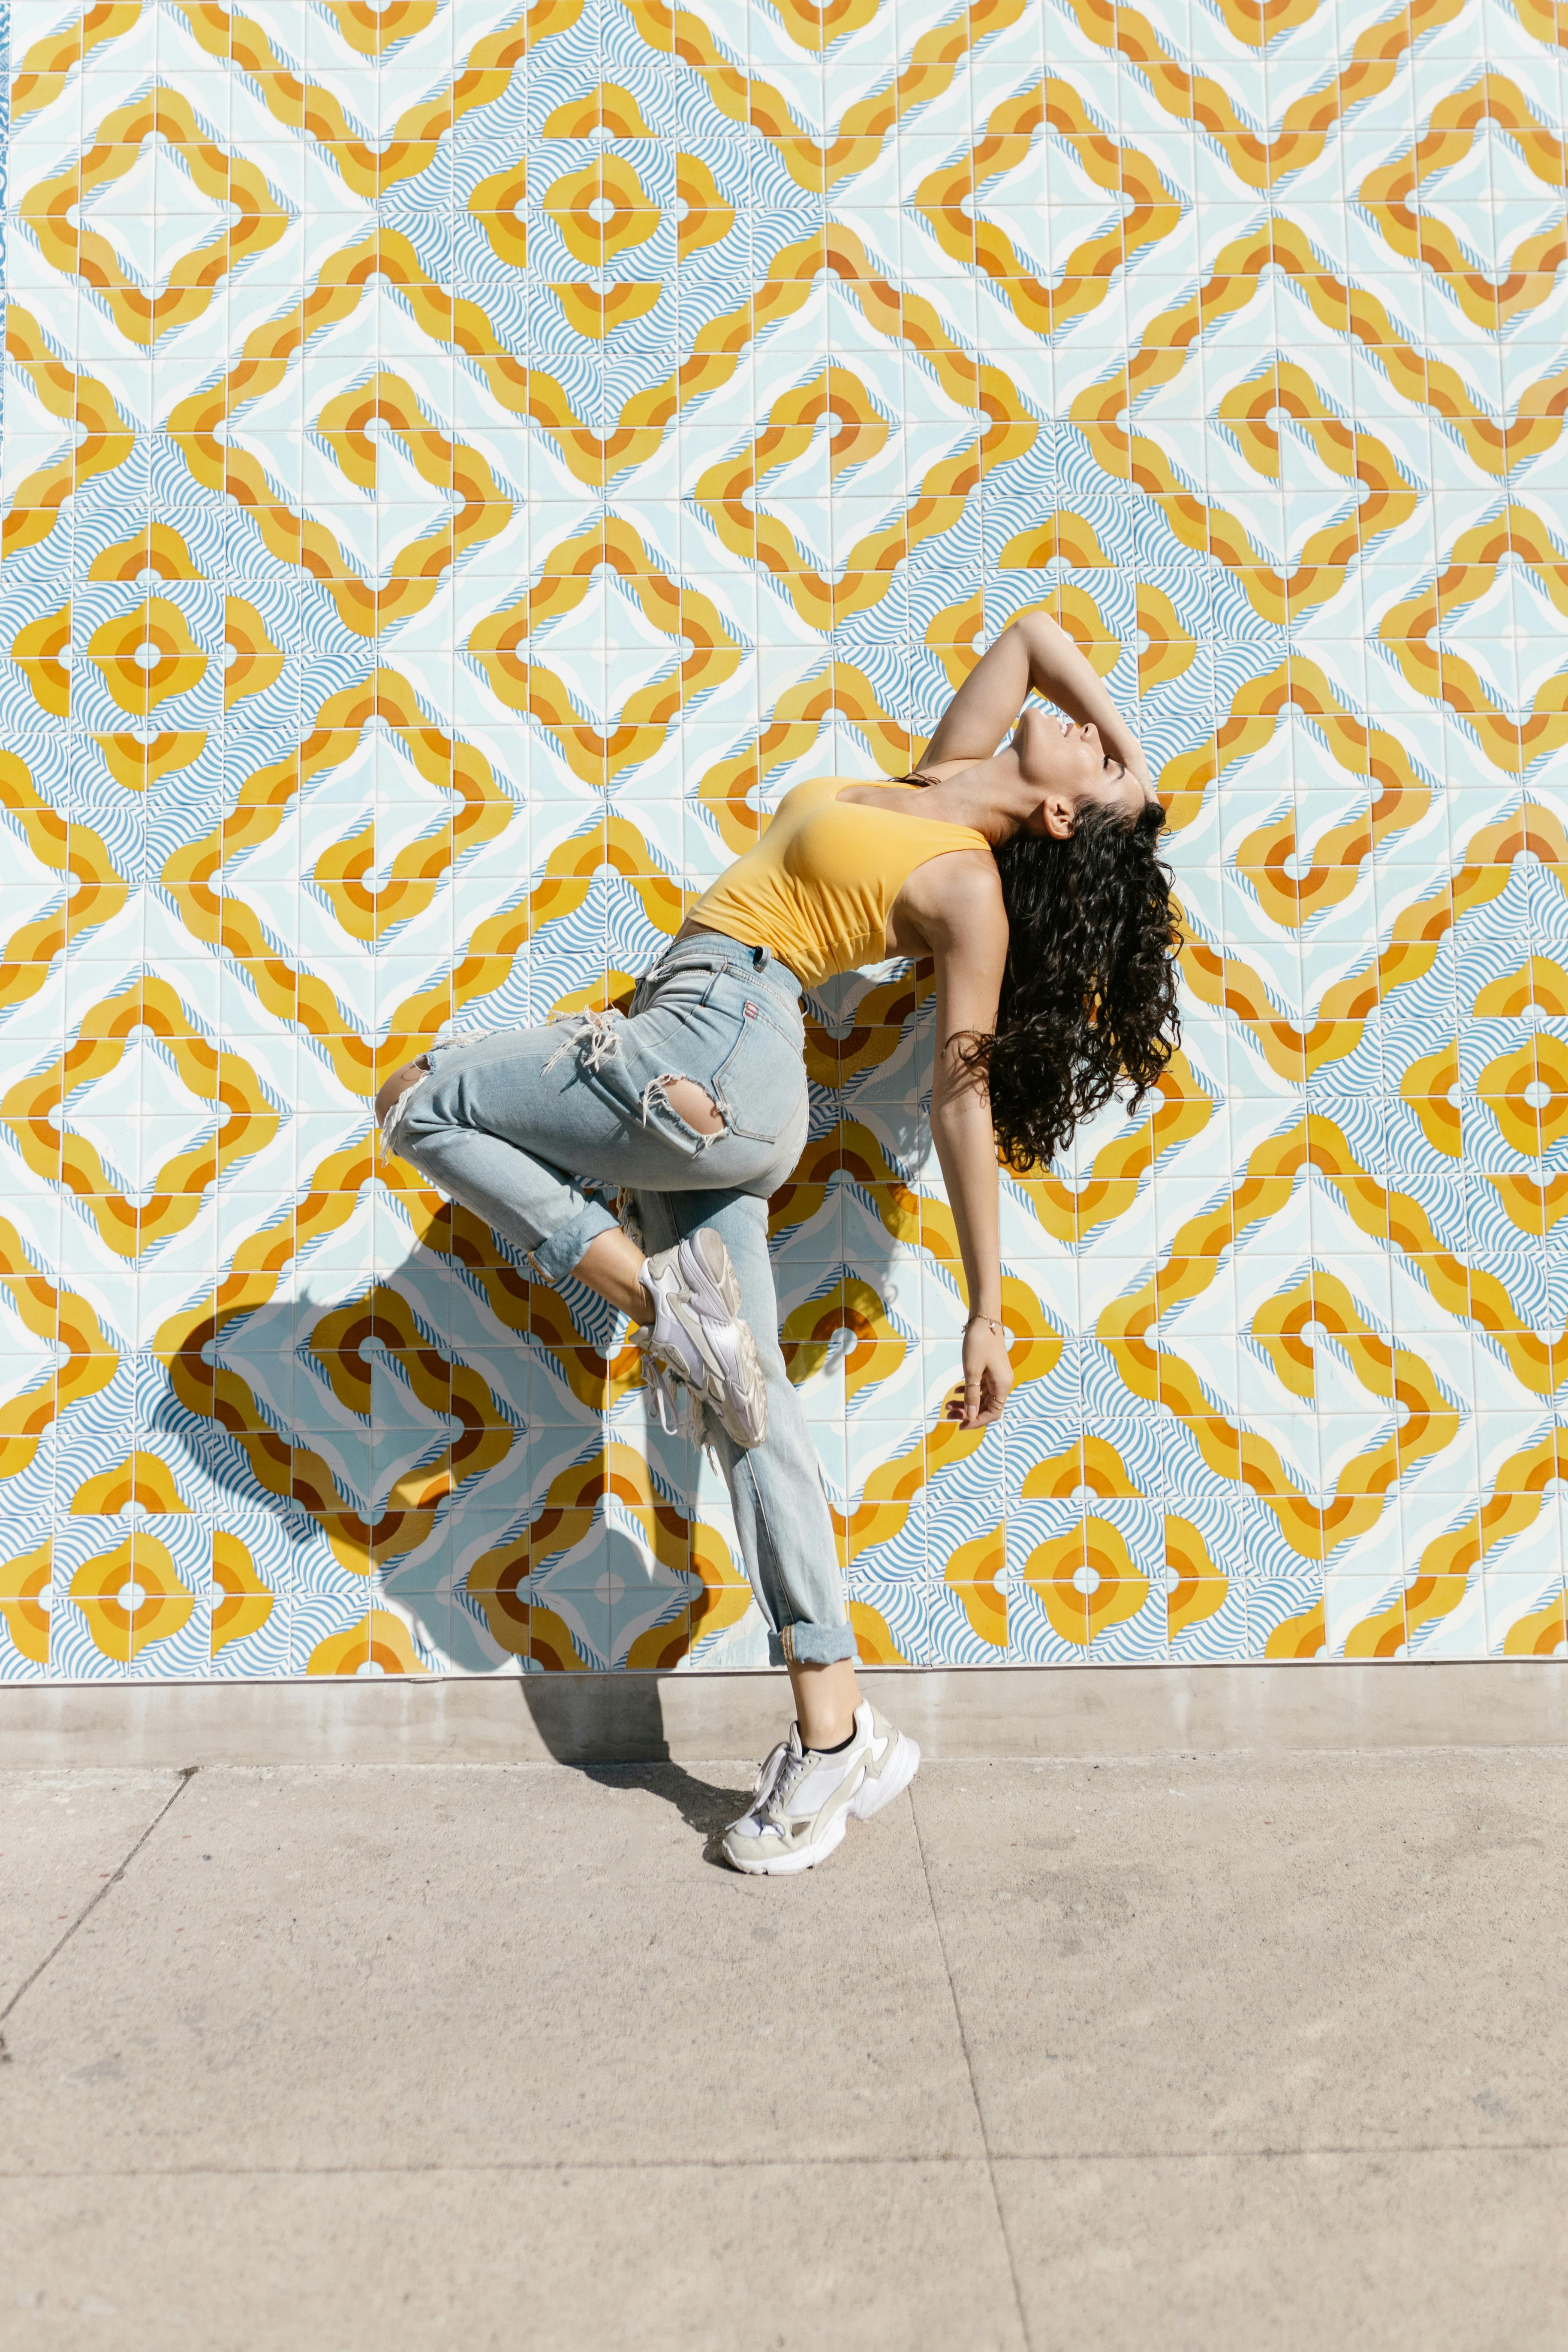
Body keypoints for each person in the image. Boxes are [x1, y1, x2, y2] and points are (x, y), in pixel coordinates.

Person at [376, 611, 1181, 1874]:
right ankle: (834, 1731)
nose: (1084, 727)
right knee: (748, 1411)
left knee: (421, 1101)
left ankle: (647, 1294)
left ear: (1065, 820)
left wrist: (986, 1307)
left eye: (1096, 760)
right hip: (704, 1068)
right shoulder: (934, 779)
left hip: (713, 1046)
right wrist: (1138, 763)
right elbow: (1031, 636)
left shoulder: (970, 882)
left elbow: (958, 1101)